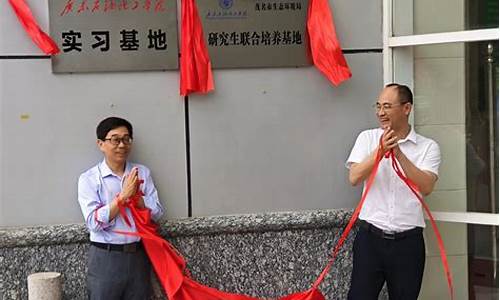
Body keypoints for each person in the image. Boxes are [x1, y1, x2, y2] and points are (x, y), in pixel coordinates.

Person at [346, 83, 441, 299]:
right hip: (371, 238)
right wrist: (379, 151)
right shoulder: (367, 138)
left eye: (387, 106)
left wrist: (399, 154)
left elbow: (426, 186)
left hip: (408, 243)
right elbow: (354, 177)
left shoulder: (428, 147)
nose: (381, 112)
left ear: (406, 109)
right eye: (378, 106)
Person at [78, 117, 164, 300]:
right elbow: (93, 222)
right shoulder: (89, 179)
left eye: (126, 139)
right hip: (106, 256)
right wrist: (122, 198)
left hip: (138, 255)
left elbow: (157, 213)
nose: (122, 145)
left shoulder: (142, 173)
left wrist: (139, 201)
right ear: (101, 144)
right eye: (115, 139)